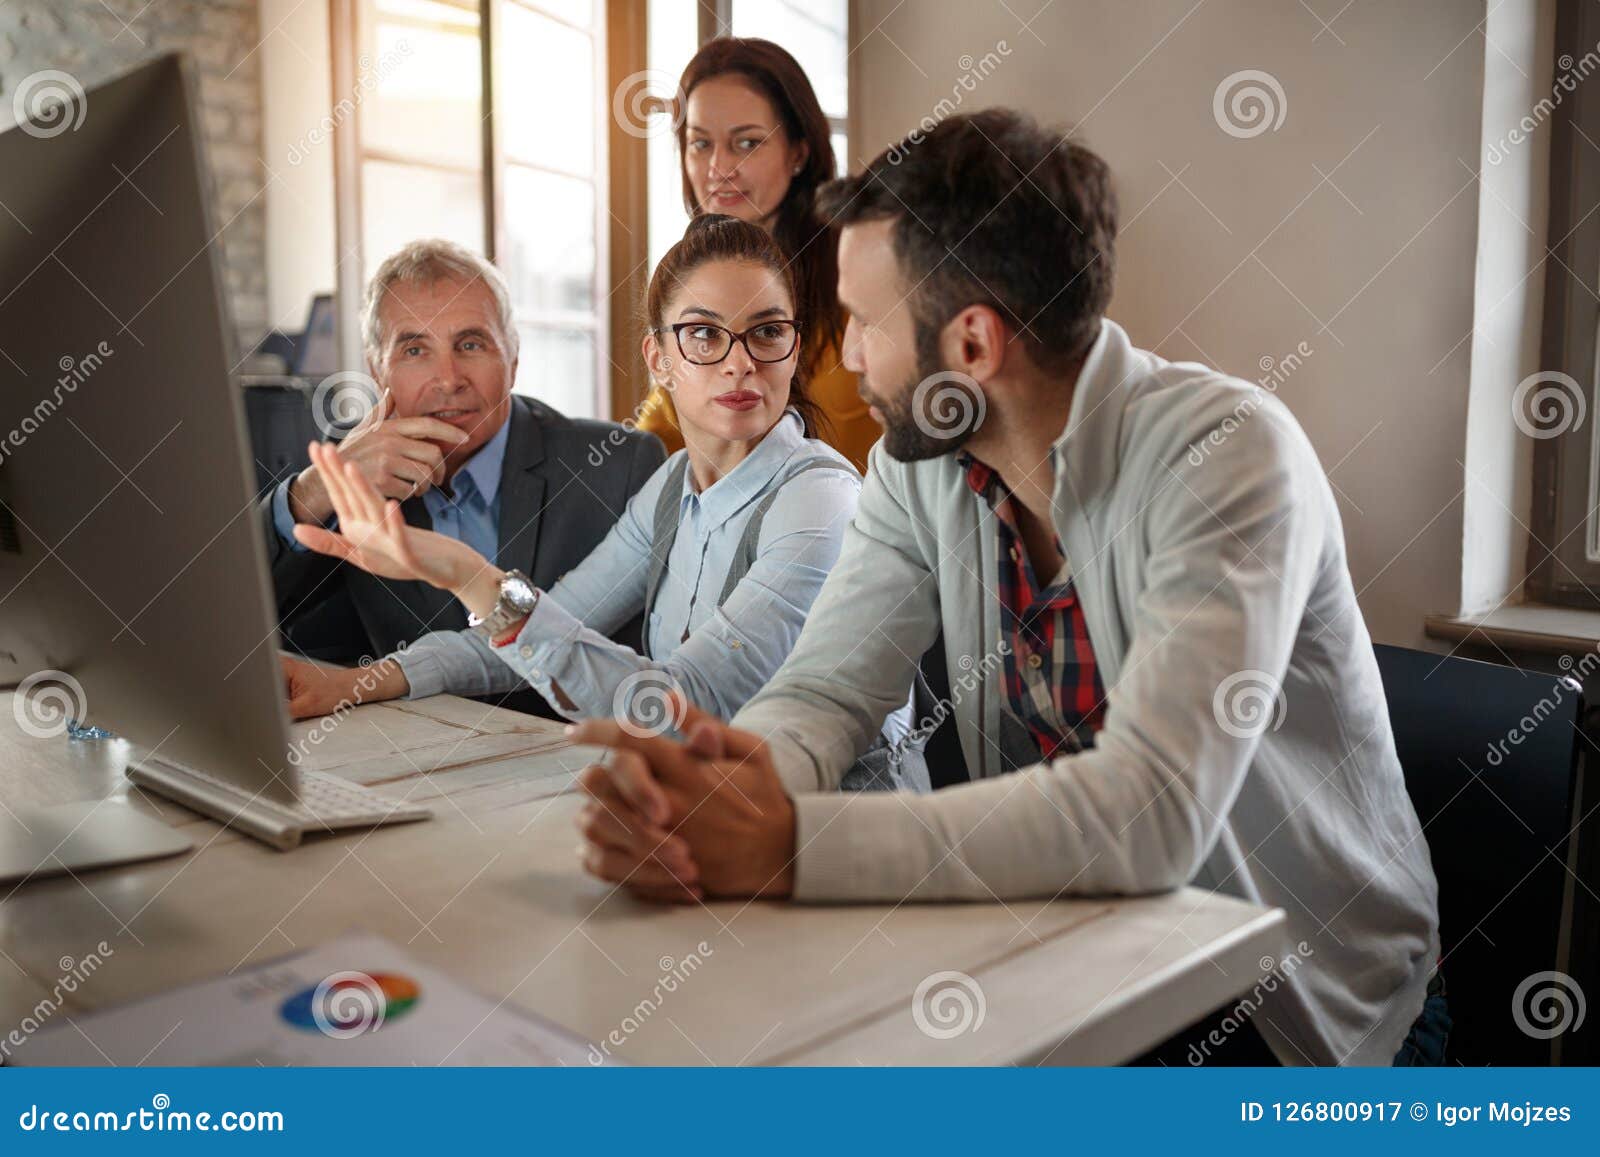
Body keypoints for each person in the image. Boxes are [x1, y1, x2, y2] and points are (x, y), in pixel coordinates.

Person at [569, 109, 1444, 1068]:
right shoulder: (920, 462)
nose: (847, 355)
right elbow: (828, 691)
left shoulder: (1230, 456)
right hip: (1067, 963)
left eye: (865, 322)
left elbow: (1150, 814)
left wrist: (789, 847)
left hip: (1293, 1017)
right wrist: (729, 796)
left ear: (975, 345)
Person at [285, 216, 920, 790]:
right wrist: (354, 683)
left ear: (794, 348)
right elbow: (533, 634)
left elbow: (679, 707)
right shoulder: (672, 487)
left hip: (836, 841)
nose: (739, 364)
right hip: (710, 815)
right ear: (659, 359)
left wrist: (464, 572)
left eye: (767, 332)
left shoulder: (819, 499)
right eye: (704, 334)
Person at [269, 239, 663, 718]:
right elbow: (234, 609)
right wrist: (315, 491)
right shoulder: (350, 470)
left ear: (512, 359)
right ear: (377, 370)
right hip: (415, 753)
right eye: (415, 349)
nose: (448, 378)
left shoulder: (619, 465)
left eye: (471, 344)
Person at [633, 37, 878, 471]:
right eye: (700, 144)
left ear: (798, 152)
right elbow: (657, 437)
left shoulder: (861, 268)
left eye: (746, 143)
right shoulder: (693, 279)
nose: (718, 169)